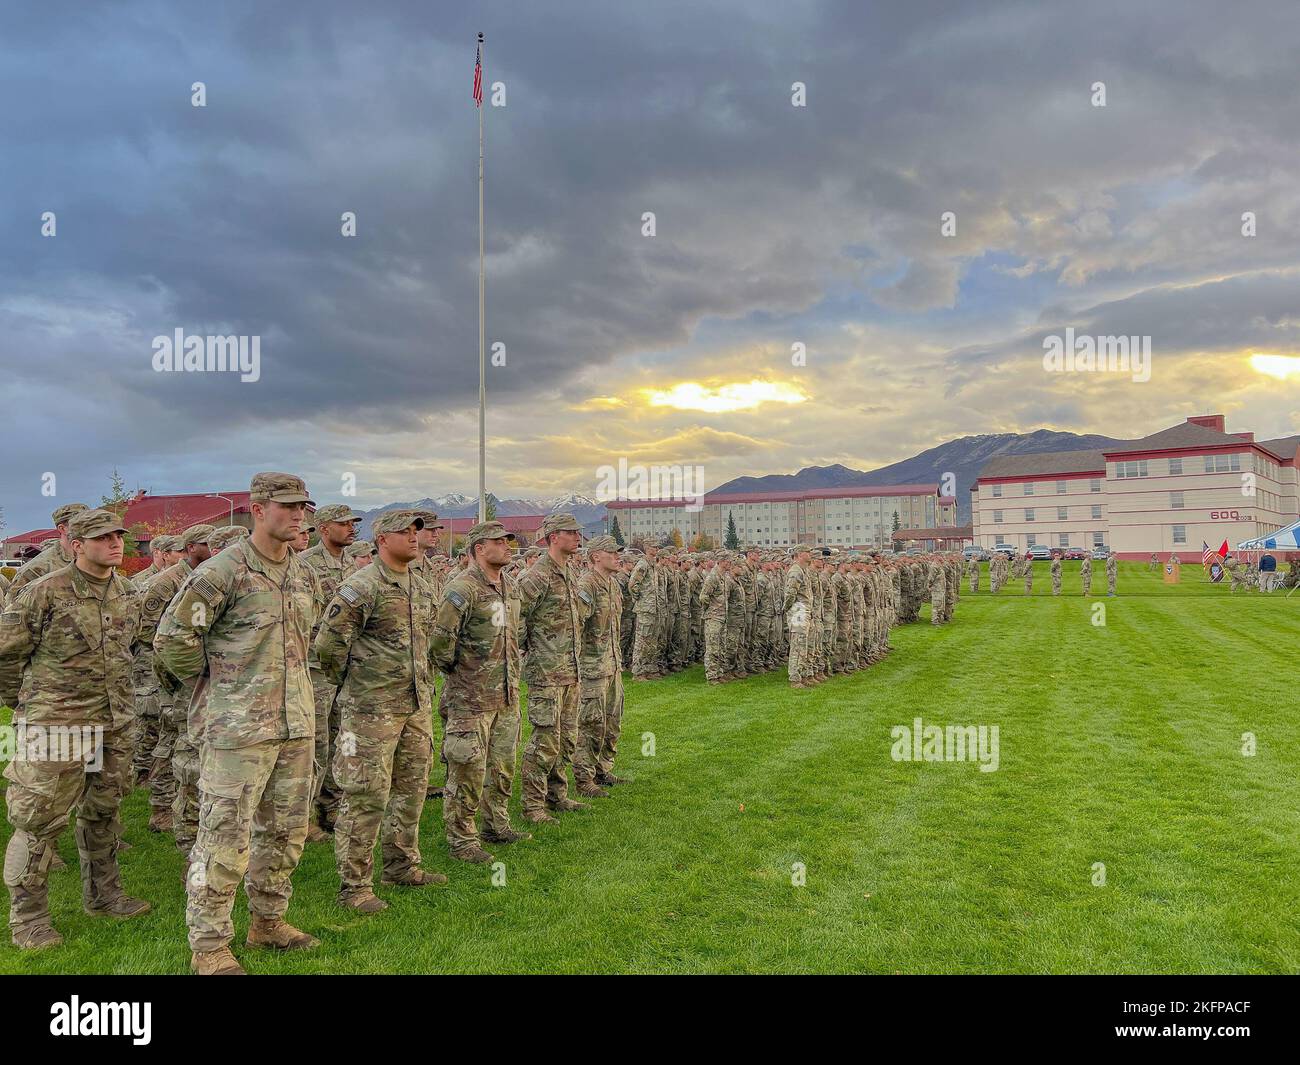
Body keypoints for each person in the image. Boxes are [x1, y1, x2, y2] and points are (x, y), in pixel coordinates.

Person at [155, 473, 320, 976]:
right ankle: (209, 945)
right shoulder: (221, 573)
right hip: (236, 731)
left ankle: (268, 921)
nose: (298, 516)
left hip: (295, 724)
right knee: (225, 837)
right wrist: (220, 686)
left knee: (286, 833)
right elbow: (173, 638)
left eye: (303, 507)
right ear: (258, 508)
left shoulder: (302, 572)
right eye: (288, 506)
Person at [0, 508, 152, 949]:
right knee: (38, 822)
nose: (115, 543)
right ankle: (28, 919)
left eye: (118, 536)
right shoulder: (43, 592)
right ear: (76, 544)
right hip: (57, 728)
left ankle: (104, 896)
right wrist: (27, 706)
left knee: (103, 814)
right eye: (102, 537)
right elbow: (6, 656)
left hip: (113, 725)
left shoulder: (124, 593)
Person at [314, 512, 447, 913]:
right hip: (370, 710)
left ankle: (402, 866)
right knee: (365, 794)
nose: (413, 537)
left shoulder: (420, 586)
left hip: (414, 706)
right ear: (382, 538)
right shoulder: (361, 586)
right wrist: (357, 685)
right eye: (405, 531)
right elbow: (328, 648)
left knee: (411, 789)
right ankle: (354, 886)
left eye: (416, 531)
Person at [430, 521, 529, 862]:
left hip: (506, 695)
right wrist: (464, 675)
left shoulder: (510, 586)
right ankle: (462, 840)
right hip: (470, 698)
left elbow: (515, 634)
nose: (506, 546)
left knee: (502, 767)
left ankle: (496, 825)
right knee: (467, 772)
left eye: (507, 541)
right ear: (479, 549)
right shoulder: (462, 589)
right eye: (498, 542)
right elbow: (441, 643)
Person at [518, 514, 592, 812]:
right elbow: (516, 616)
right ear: (553, 537)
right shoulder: (537, 575)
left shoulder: (569, 571)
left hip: (570, 671)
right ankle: (533, 804)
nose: (577, 537)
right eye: (571, 532)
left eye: (578, 532)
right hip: (546, 673)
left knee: (566, 739)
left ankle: (557, 796)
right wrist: (533, 650)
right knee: (544, 741)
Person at [299, 503, 363, 841]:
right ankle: (303, 818)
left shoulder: (352, 565)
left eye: (353, 523)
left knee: (342, 740)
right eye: (344, 524)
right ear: (324, 528)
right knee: (315, 743)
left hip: (346, 666)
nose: (351, 528)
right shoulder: (305, 564)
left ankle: (333, 805)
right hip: (315, 667)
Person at [573, 535, 626, 791]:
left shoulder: (612, 585)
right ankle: (584, 777)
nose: (618, 557)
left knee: (612, 721)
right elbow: (575, 628)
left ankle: (603, 769)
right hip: (593, 667)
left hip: (612, 664)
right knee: (591, 723)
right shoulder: (587, 586)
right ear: (596, 556)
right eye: (612, 553)